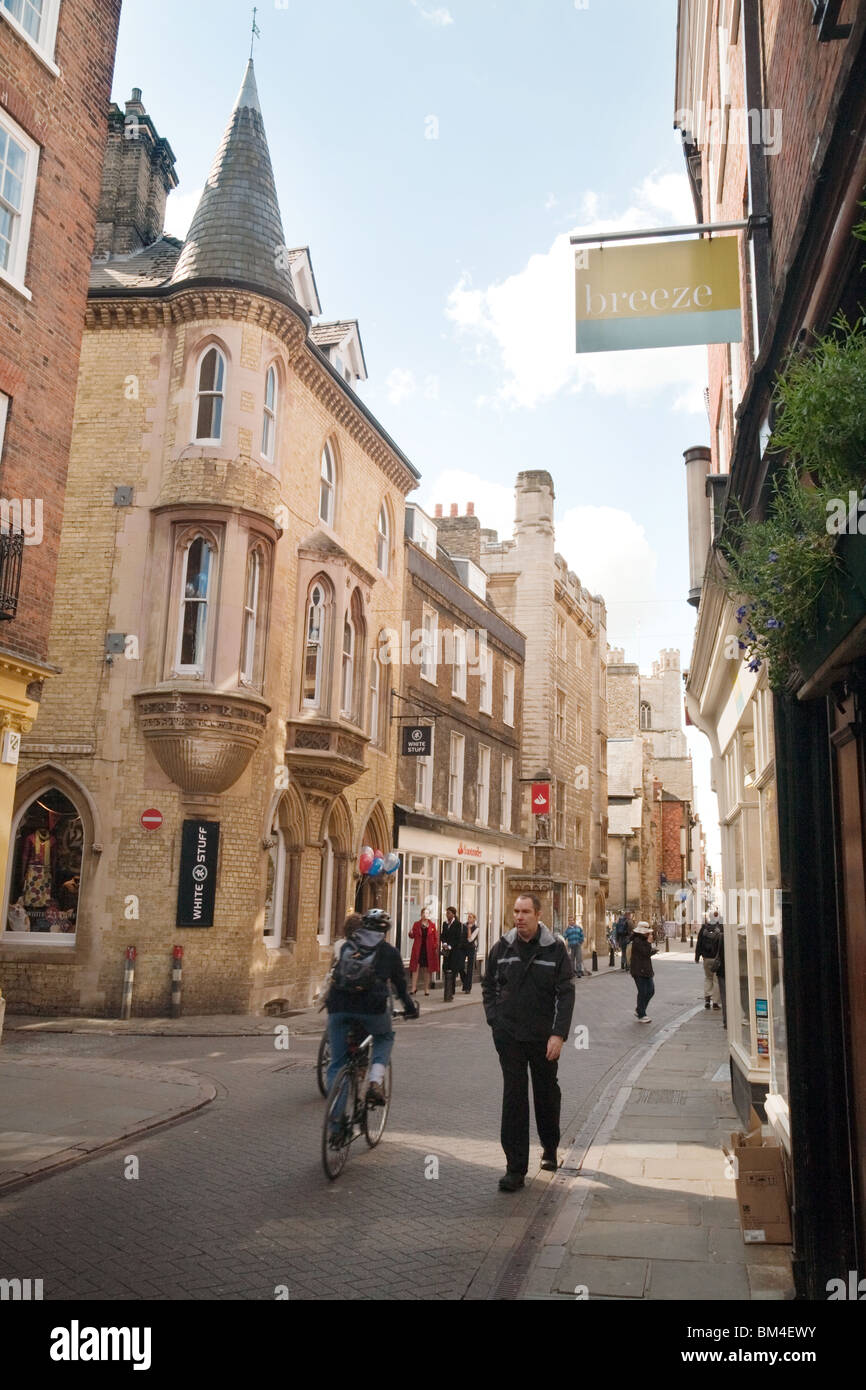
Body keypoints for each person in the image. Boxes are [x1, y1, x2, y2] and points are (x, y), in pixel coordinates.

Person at [482, 892, 575, 1192]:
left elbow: (566, 992)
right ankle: (515, 1168)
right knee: (514, 1099)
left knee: (546, 1094)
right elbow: (488, 985)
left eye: (525, 912)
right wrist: (494, 1021)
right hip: (509, 1036)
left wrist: (558, 1034)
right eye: (516, 911)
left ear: (538, 915)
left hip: (544, 1038)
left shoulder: (555, 949)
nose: (519, 917)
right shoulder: (502, 947)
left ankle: (550, 1147)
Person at [325, 908, 419, 1105]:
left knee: (337, 1063)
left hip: (338, 1005)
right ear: (385, 931)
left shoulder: (346, 947)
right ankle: (375, 1081)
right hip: (372, 1007)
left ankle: (335, 1125)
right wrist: (411, 1009)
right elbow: (401, 989)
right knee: (384, 1038)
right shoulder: (389, 952)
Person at [695, 910, 724, 1010]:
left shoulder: (704, 928)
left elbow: (699, 943)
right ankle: (715, 1003)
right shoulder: (721, 928)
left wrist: (697, 956)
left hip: (706, 958)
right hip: (717, 958)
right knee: (716, 980)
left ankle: (707, 999)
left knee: (708, 978)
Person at [630, 920, 657, 1022]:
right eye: (647, 932)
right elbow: (645, 952)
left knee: (651, 990)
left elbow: (646, 953)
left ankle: (639, 1010)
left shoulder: (643, 940)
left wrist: (652, 950)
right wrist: (649, 943)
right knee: (643, 991)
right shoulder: (637, 940)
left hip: (646, 969)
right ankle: (641, 1014)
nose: (649, 934)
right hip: (638, 970)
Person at [408, 906, 439, 996]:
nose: (425, 915)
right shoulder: (416, 924)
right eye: (423, 913)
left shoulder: (432, 925)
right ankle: (413, 988)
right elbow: (412, 935)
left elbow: (435, 937)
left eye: (427, 913)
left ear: (429, 915)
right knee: (415, 968)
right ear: (421, 914)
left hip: (428, 950)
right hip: (418, 949)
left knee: (426, 969)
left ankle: (426, 989)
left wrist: (435, 946)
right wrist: (410, 933)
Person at [441, 906, 467, 991]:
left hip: (455, 951)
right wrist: (444, 943)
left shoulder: (458, 924)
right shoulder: (445, 924)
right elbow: (443, 935)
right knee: (445, 968)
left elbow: (458, 938)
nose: (447, 915)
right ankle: (448, 988)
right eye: (446, 913)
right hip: (447, 951)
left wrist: (450, 946)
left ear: (453, 914)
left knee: (453, 969)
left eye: (448, 913)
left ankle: (451, 990)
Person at [463, 912, 480, 992]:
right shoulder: (463, 925)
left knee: (470, 968)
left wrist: (469, 928)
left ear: (474, 919)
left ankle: (468, 988)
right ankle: (465, 982)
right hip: (463, 948)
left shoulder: (476, 928)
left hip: (471, 948)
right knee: (460, 966)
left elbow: (470, 939)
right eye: (468, 917)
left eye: (470, 917)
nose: (468, 918)